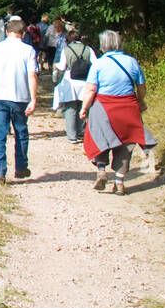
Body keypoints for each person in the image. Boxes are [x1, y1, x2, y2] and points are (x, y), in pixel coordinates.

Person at [79, 31, 156, 195]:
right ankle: (120, 181)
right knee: (126, 143)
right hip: (128, 106)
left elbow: (91, 89)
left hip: (103, 107)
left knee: (99, 138)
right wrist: (140, 101)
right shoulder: (132, 62)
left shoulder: (99, 64)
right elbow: (141, 87)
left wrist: (84, 108)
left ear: (103, 45)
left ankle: (101, 169)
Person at [0, 18, 38, 184]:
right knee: (21, 132)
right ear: (23, 33)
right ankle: (20, 167)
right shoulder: (29, 50)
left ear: (6, 32)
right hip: (20, 97)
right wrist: (33, 100)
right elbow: (32, 75)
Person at [52, 27, 96, 143]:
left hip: (70, 81)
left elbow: (62, 66)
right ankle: (80, 131)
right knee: (83, 106)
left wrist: (56, 66)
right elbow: (95, 64)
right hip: (85, 80)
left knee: (70, 108)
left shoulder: (66, 50)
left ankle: (72, 135)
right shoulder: (88, 49)